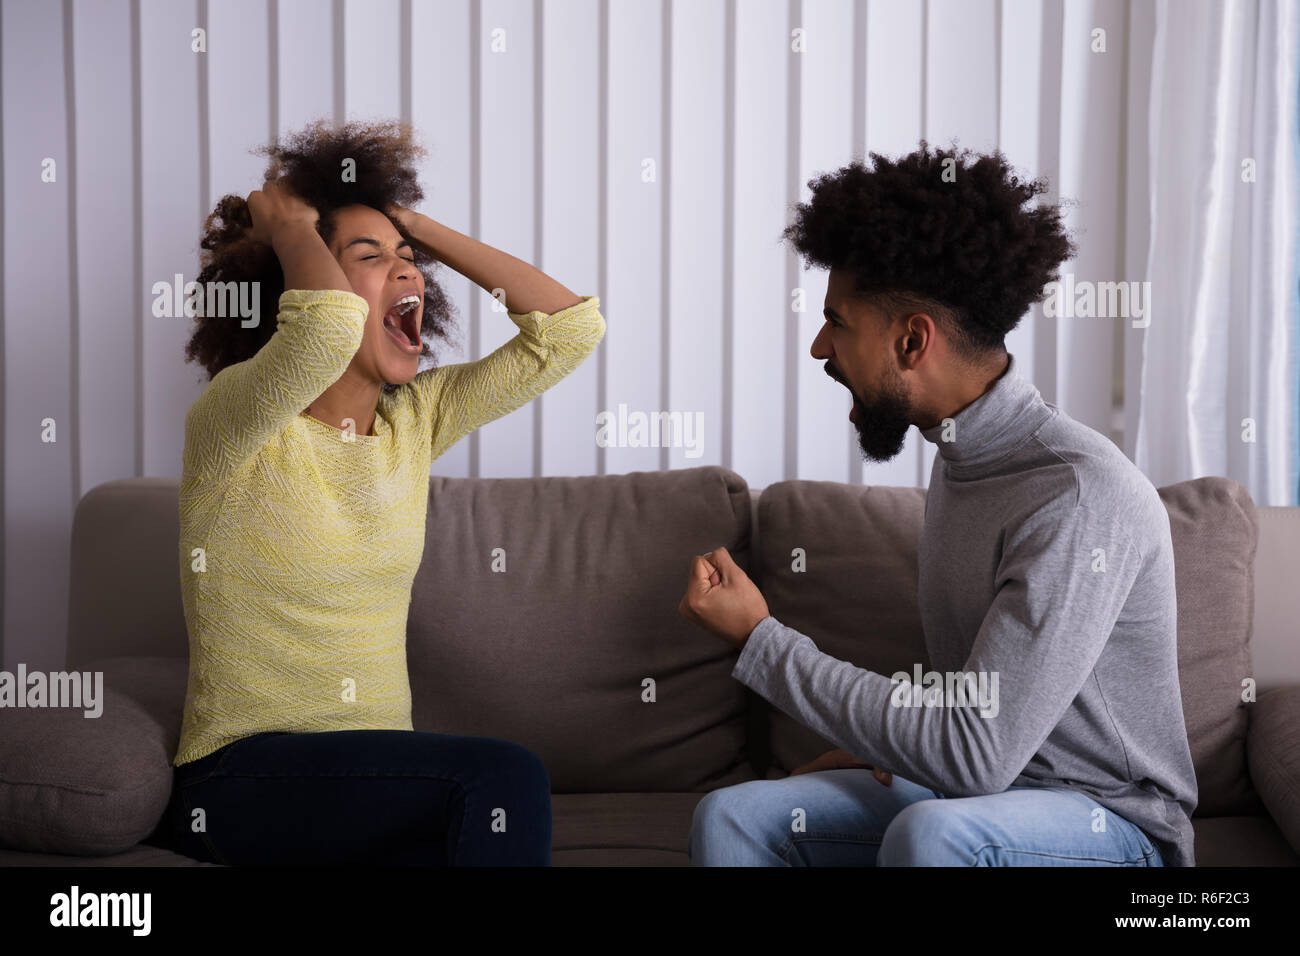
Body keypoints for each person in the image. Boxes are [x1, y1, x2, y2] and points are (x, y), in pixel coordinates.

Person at [678, 142, 1198, 866]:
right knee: (736, 818)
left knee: (931, 835)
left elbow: (976, 752)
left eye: (840, 321)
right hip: (978, 795)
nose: (820, 347)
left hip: (1108, 821)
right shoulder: (962, 464)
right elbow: (978, 714)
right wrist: (873, 743)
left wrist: (761, 641)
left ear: (913, 339)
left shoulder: (1078, 495)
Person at [145, 119, 605, 866]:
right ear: (296, 280)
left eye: (410, 262)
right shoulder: (237, 422)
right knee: (507, 775)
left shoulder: (412, 422)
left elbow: (570, 331)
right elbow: (326, 331)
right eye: (369, 258)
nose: (410, 275)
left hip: (371, 777)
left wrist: (410, 225)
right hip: (241, 776)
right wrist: (292, 223)